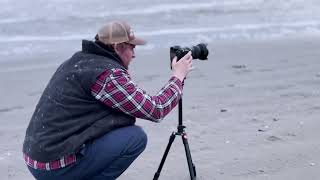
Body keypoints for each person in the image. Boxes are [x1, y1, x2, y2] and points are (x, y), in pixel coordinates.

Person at [22, 20, 193, 180]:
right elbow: (156, 109)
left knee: (122, 122)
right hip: (54, 166)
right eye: (132, 48)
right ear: (118, 47)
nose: (134, 54)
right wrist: (178, 75)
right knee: (135, 138)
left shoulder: (79, 59)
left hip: (36, 157)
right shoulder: (107, 75)